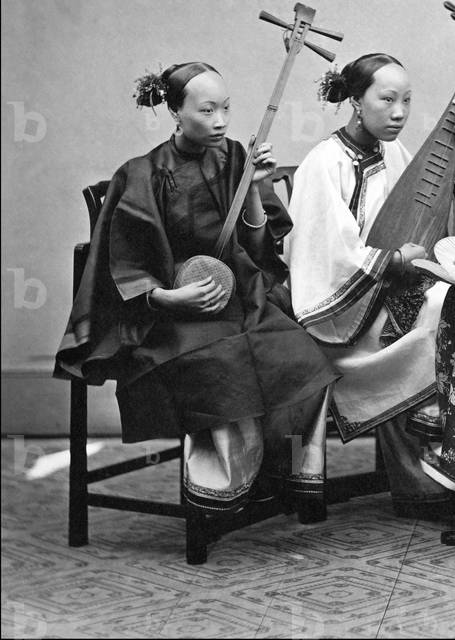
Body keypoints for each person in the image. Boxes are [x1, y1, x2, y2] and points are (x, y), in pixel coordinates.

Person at [56, 62, 337, 517]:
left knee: (303, 357)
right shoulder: (142, 174)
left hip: (237, 302)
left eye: (226, 108)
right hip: (170, 319)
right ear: (175, 111)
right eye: (207, 110)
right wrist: (166, 298)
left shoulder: (235, 160)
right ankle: (221, 495)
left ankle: (276, 480)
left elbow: (259, 249)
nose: (221, 121)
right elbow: (122, 263)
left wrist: (254, 189)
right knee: (225, 367)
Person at [285, 53, 455, 520]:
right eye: (386, 100)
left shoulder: (396, 154)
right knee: (421, 328)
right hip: (346, 310)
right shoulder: (324, 163)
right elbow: (324, 254)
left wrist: (453, 150)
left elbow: (427, 219)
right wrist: (392, 261)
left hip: (393, 288)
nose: (399, 113)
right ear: (355, 99)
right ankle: (421, 482)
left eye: (407, 101)